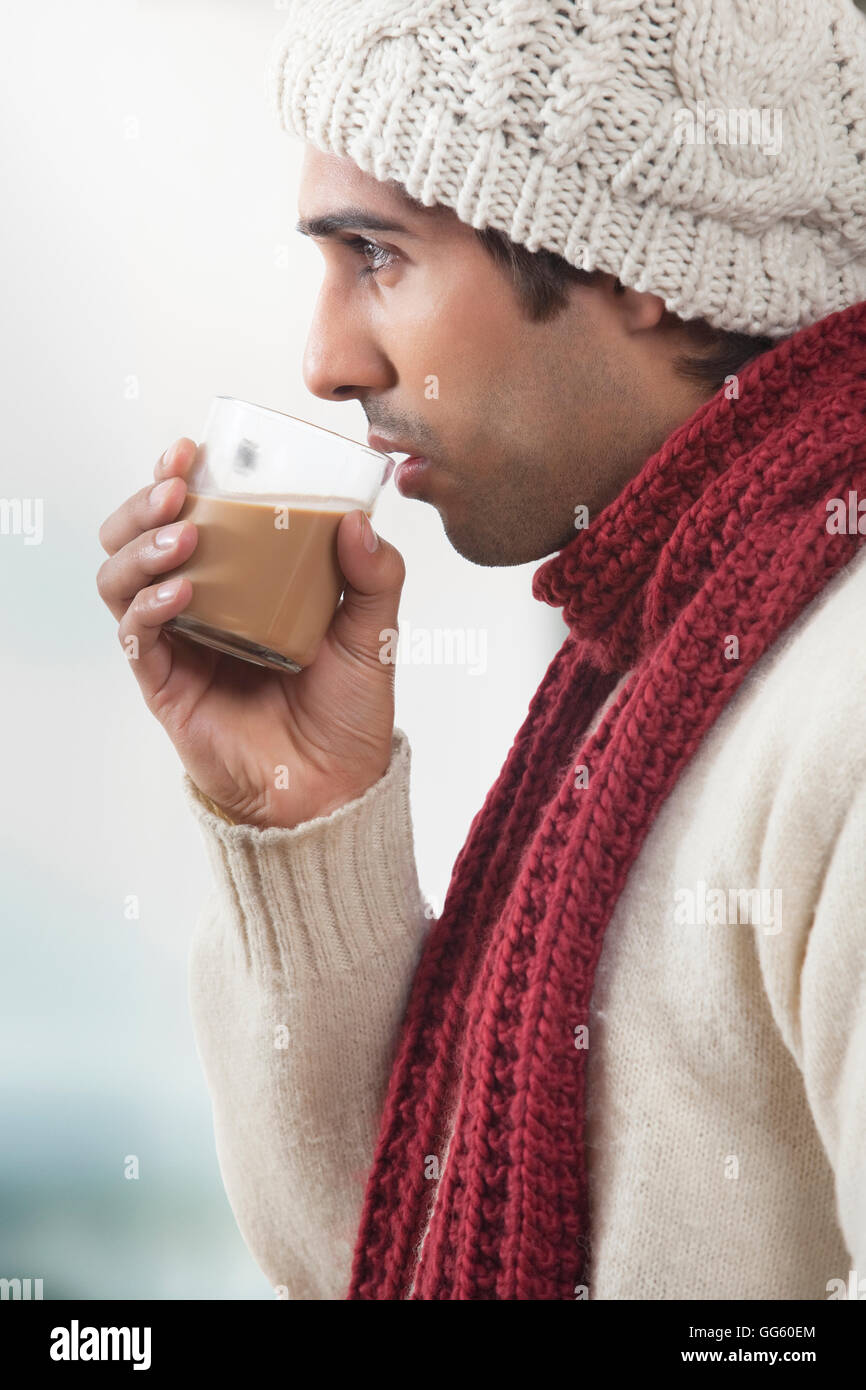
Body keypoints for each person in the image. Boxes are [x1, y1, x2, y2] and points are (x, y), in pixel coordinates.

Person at [96, 0, 866, 1300]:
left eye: (375, 256)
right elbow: (389, 1254)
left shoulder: (835, 703)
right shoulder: (651, 652)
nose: (325, 358)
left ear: (632, 256)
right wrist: (301, 818)